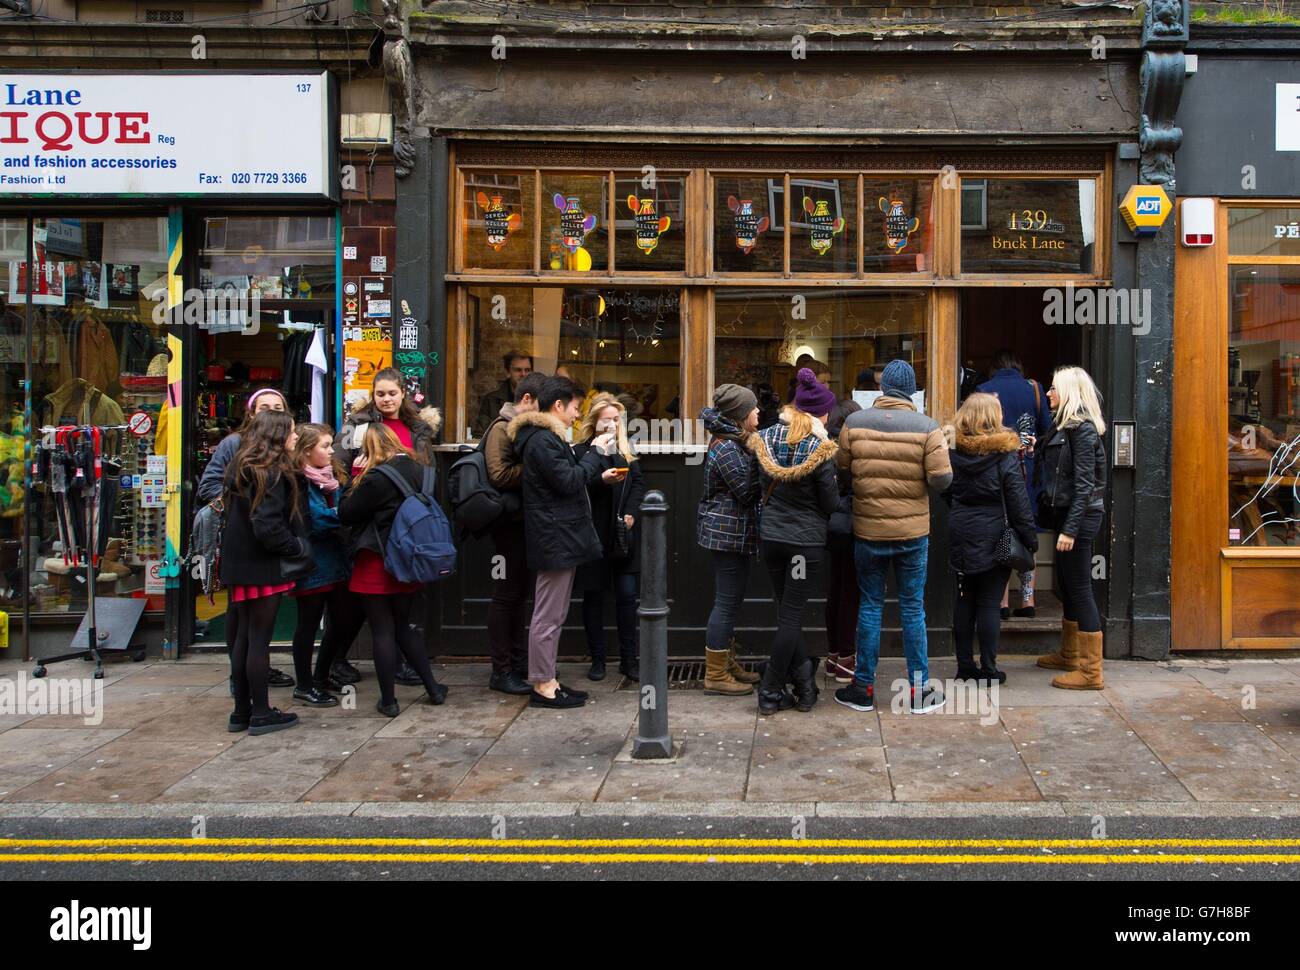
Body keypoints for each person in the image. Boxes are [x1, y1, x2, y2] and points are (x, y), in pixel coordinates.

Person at [834, 359, 952, 715]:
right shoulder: (928, 427)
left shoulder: (854, 423)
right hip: (912, 533)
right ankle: (919, 691)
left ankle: (863, 688)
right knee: (913, 608)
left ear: (882, 389)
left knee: (869, 606)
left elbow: (841, 470)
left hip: (868, 530)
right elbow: (942, 480)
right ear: (912, 389)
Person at [508, 376, 616, 708]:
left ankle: (549, 679)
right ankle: (543, 684)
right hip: (554, 537)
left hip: (558, 536)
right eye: (574, 408)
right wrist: (595, 453)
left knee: (554, 612)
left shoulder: (545, 439)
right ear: (557, 405)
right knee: (548, 614)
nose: (577, 416)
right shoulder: (543, 441)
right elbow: (568, 482)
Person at [338, 367, 442, 686]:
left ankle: (401, 667)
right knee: (363, 604)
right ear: (373, 394)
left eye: (392, 393)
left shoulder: (418, 427)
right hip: (369, 525)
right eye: (380, 394)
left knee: (403, 604)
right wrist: (355, 480)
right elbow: (339, 466)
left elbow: (427, 470)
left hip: (409, 524)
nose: (386, 399)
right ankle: (342, 661)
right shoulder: (356, 425)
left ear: (402, 394)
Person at [748, 369, 839, 715]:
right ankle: (770, 689)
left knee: (787, 611)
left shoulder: (767, 438)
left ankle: (804, 685)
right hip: (804, 545)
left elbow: (759, 486)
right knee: (792, 615)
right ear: (819, 413)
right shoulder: (820, 448)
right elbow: (830, 503)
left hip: (771, 537)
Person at [199, 386, 295, 689]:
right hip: (243, 542)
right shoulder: (235, 444)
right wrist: (241, 507)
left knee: (255, 627)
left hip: (263, 545)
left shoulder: (283, 448)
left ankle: (249, 680)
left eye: (277, 407)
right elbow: (209, 485)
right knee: (241, 619)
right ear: (251, 413)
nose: (271, 412)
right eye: (264, 407)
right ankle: (241, 678)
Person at [219, 410, 306, 736]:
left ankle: (241, 711)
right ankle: (261, 712)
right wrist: (295, 547)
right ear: (277, 436)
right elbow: (267, 525)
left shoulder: (242, 468)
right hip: (261, 566)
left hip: (239, 563)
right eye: (292, 432)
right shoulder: (271, 474)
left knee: (243, 638)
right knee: (258, 641)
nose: (295, 437)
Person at [942, 393, 1037, 684]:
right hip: (994, 531)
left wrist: (960, 508)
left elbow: (944, 487)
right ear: (993, 418)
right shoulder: (1004, 454)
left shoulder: (950, 450)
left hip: (960, 527)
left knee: (964, 599)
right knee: (989, 602)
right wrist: (1030, 540)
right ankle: (989, 668)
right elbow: (1018, 501)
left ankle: (964, 666)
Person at [1035, 365, 1108, 690]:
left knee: (1079, 589)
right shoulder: (1063, 427)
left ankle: (1091, 673)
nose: (1048, 393)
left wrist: (1070, 530)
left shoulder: (1082, 430)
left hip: (1078, 518)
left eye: (1053, 388)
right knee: (1067, 585)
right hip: (1066, 516)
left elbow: (1085, 486)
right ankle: (1070, 653)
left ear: (1069, 393)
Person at [481, 371, 547, 695]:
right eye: (542, 406)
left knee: (520, 595)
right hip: (505, 526)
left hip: (521, 523)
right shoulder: (500, 428)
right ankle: (501, 669)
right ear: (526, 401)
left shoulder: (521, 428)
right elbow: (499, 473)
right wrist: (537, 467)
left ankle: (519, 662)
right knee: (506, 594)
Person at [574, 393, 646, 683]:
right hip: (592, 536)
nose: (613, 425)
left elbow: (638, 485)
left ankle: (630, 660)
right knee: (593, 597)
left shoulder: (627, 452)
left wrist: (631, 513)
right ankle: (598, 659)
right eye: (607, 420)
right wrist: (600, 480)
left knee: (627, 597)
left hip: (621, 537)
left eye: (617, 420)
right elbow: (575, 487)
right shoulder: (582, 452)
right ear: (594, 423)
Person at [696, 384, 762, 696]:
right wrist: (763, 461)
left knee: (731, 602)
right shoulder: (726, 447)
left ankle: (726, 662)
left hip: (732, 534)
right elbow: (747, 491)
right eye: (754, 408)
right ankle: (716, 674)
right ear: (740, 415)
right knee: (725, 603)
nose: (758, 412)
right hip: (726, 535)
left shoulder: (735, 441)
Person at [978, 349, 1053, 619]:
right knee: (1026, 532)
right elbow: (1046, 430)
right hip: (1028, 472)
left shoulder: (984, 389)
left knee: (1001, 531)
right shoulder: (1034, 389)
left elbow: (978, 432)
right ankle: (1028, 599)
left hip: (995, 471)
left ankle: (1001, 601)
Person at [285, 423, 355, 707]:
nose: (330, 452)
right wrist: (346, 512)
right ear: (305, 450)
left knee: (343, 620)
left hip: (336, 560)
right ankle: (304, 684)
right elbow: (315, 519)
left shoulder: (331, 477)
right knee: (308, 624)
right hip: (312, 562)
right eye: (324, 446)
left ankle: (322, 674)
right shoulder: (297, 481)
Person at [823, 392, 861, 683]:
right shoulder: (854, 449)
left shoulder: (825, 446)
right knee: (850, 593)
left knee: (835, 590)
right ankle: (847, 659)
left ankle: (833, 654)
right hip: (853, 524)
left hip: (830, 526)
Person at [474, 350, 534, 437]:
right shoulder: (491, 401)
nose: (523, 374)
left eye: (527, 370)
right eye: (518, 370)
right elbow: (480, 436)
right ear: (508, 372)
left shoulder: (538, 400)